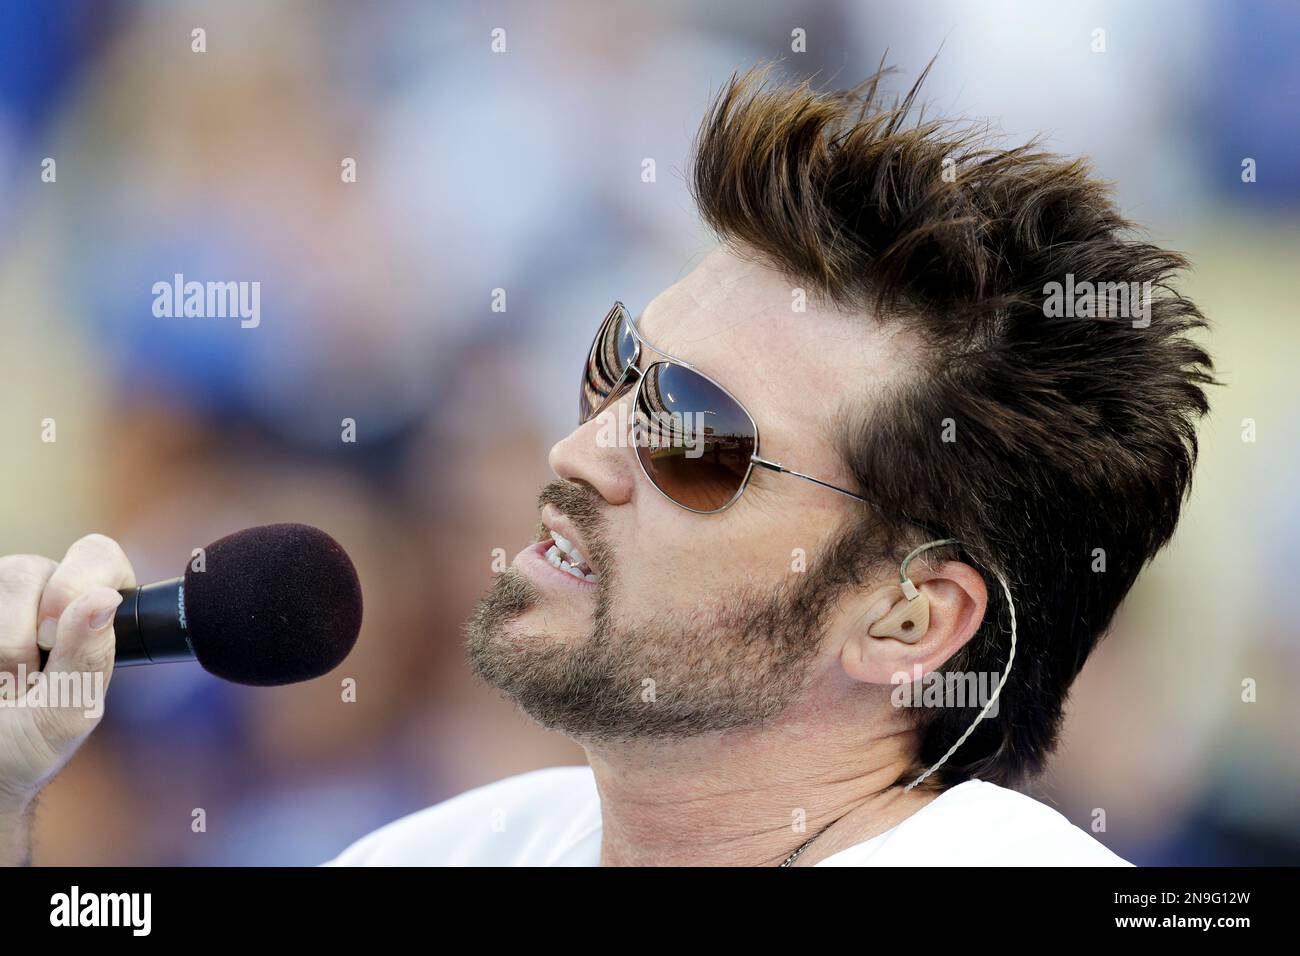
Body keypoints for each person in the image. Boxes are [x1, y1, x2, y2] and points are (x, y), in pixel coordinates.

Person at [0, 66, 1213, 867]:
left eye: (695, 433)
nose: (582, 449)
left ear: (906, 616)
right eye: (619, 365)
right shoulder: (444, 853)